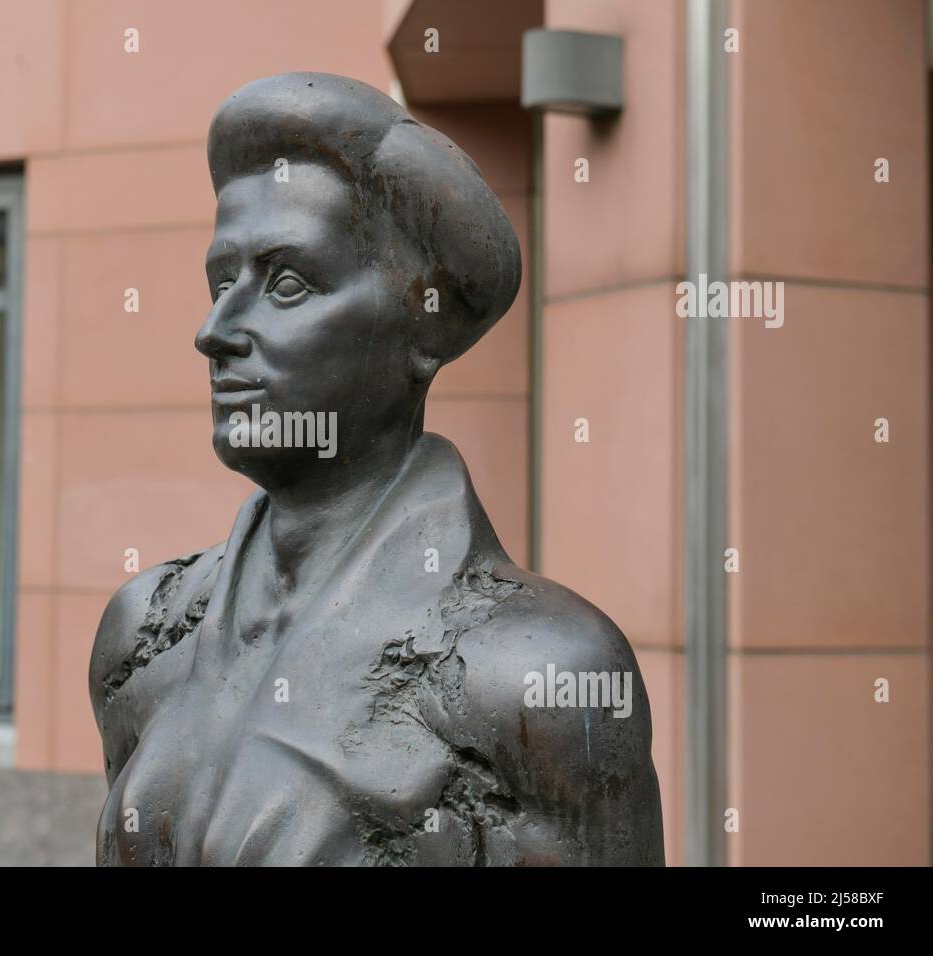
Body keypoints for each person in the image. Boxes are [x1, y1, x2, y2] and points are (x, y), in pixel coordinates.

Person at [89, 72, 663, 866]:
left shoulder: (540, 674)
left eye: (286, 284)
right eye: (222, 282)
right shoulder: (143, 633)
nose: (215, 331)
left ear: (418, 325)